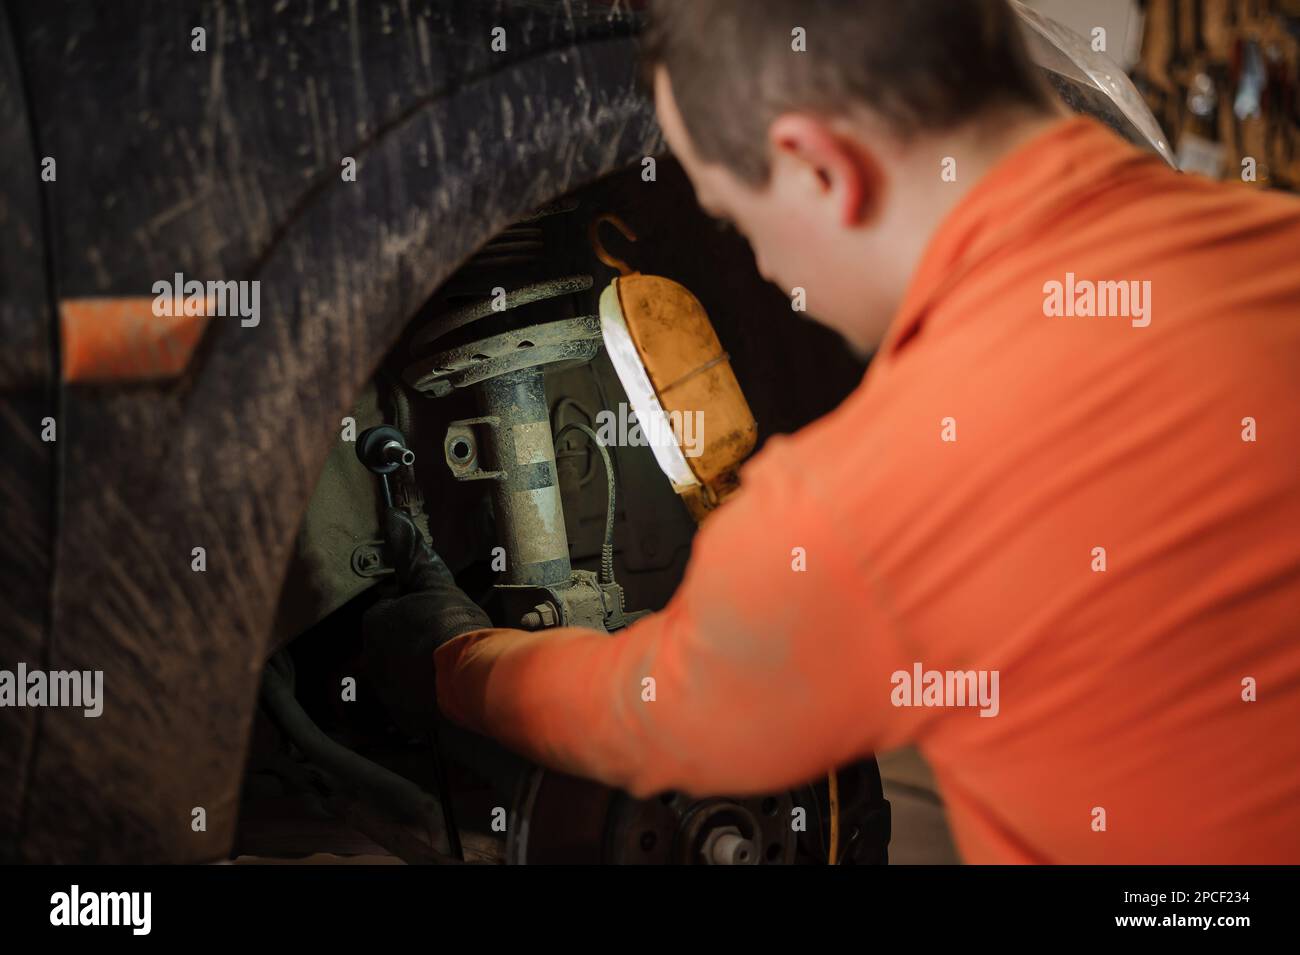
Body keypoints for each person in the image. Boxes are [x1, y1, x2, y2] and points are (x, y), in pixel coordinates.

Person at [364, 0, 1300, 863]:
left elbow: (646, 711)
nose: (765, 267)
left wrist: (454, 661)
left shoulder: (857, 500)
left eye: (737, 218)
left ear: (821, 167)